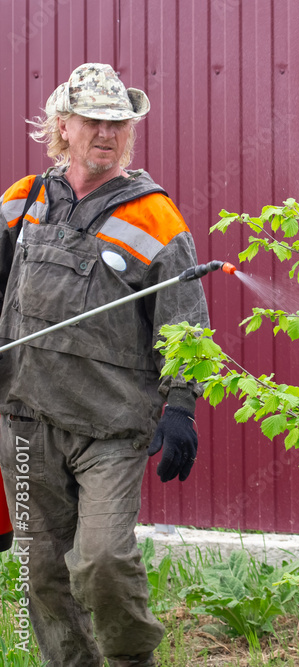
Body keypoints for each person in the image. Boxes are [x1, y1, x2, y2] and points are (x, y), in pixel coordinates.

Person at [0, 63, 209, 667]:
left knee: (103, 560)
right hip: (25, 421)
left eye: (118, 122)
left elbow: (185, 325)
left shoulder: (154, 217)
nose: (106, 133)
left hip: (110, 428)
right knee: (40, 570)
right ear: (61, 125)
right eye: (93, 120)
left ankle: (130, 662)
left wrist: (181, 409)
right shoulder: (24, 199)